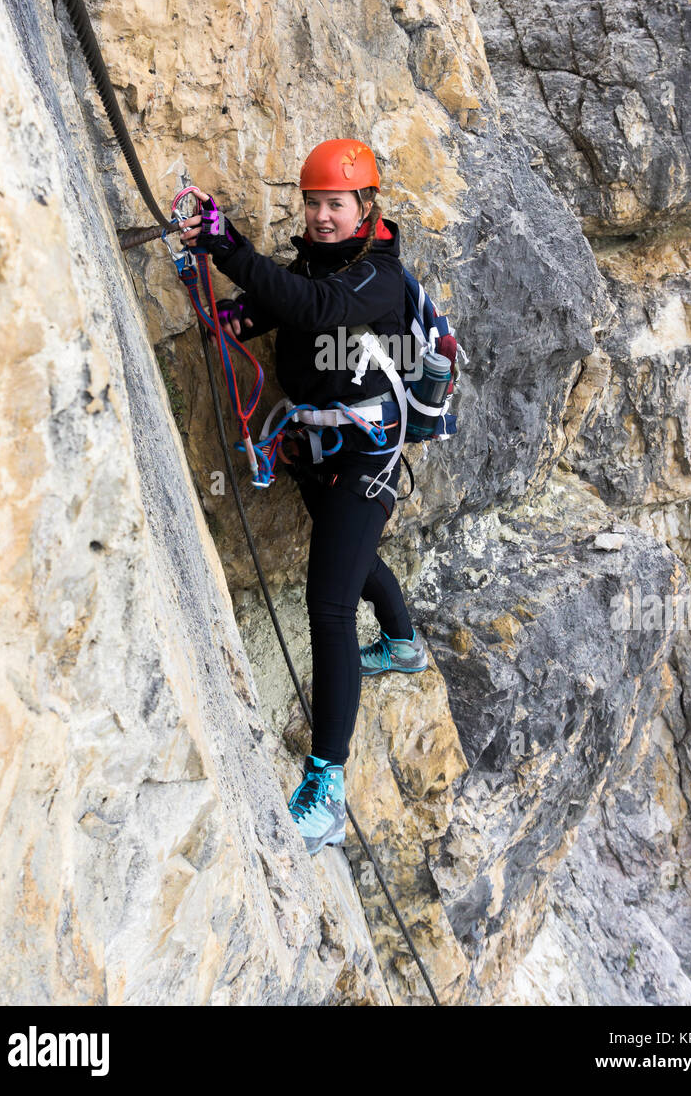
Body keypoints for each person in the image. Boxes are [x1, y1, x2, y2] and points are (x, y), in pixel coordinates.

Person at [179, 138, 428, 855]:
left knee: (329, 601)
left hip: (368, 461)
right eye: (314, 202)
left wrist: (231, 248)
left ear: (366, 207)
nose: (321, 215)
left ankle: (327, 786)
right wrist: (230, 315)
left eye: (336, 203)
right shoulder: (324, 262)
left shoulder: (378, 278)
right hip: (318, 453)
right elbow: (282, 304)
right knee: (351, 561)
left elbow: (314, 308)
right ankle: (405, 645)